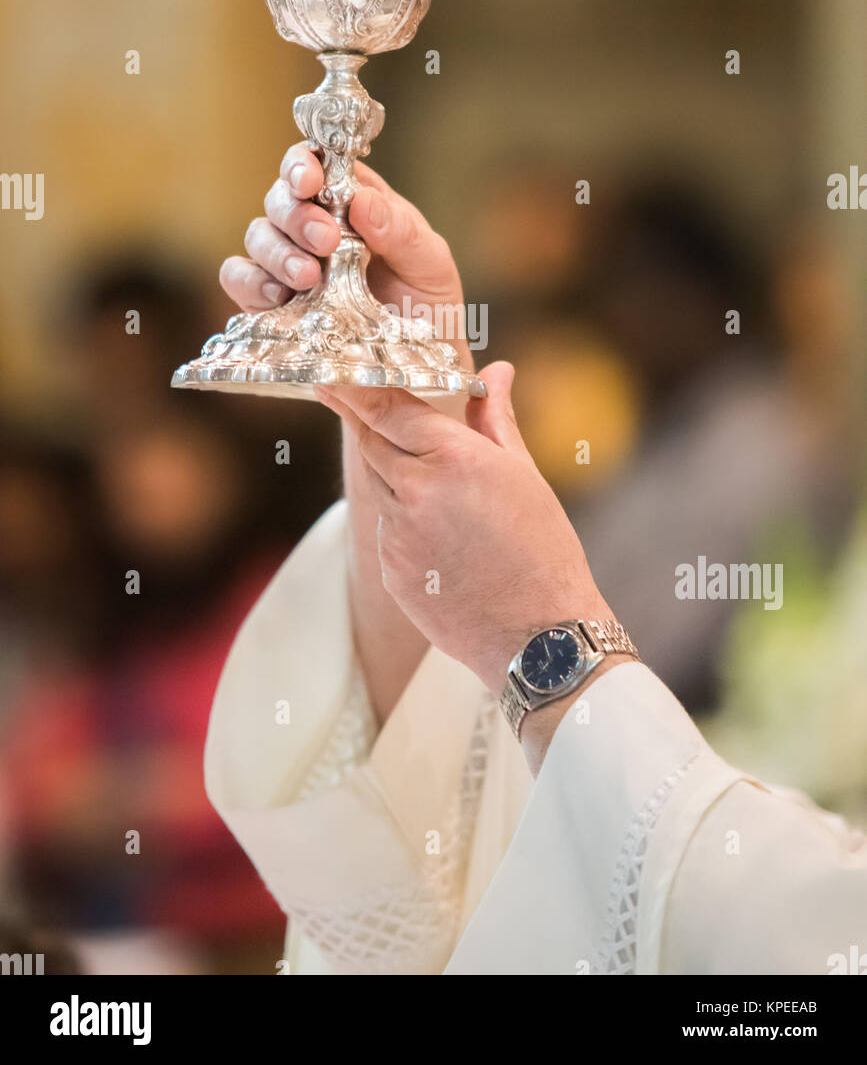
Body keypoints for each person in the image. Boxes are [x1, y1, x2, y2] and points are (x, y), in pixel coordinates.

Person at [204, 144, 867, 975]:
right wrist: (406, 411)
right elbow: (452, 822)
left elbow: (782, 937)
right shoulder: (663, 437)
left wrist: (543, 630)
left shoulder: (763, 449)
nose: (612, 319)